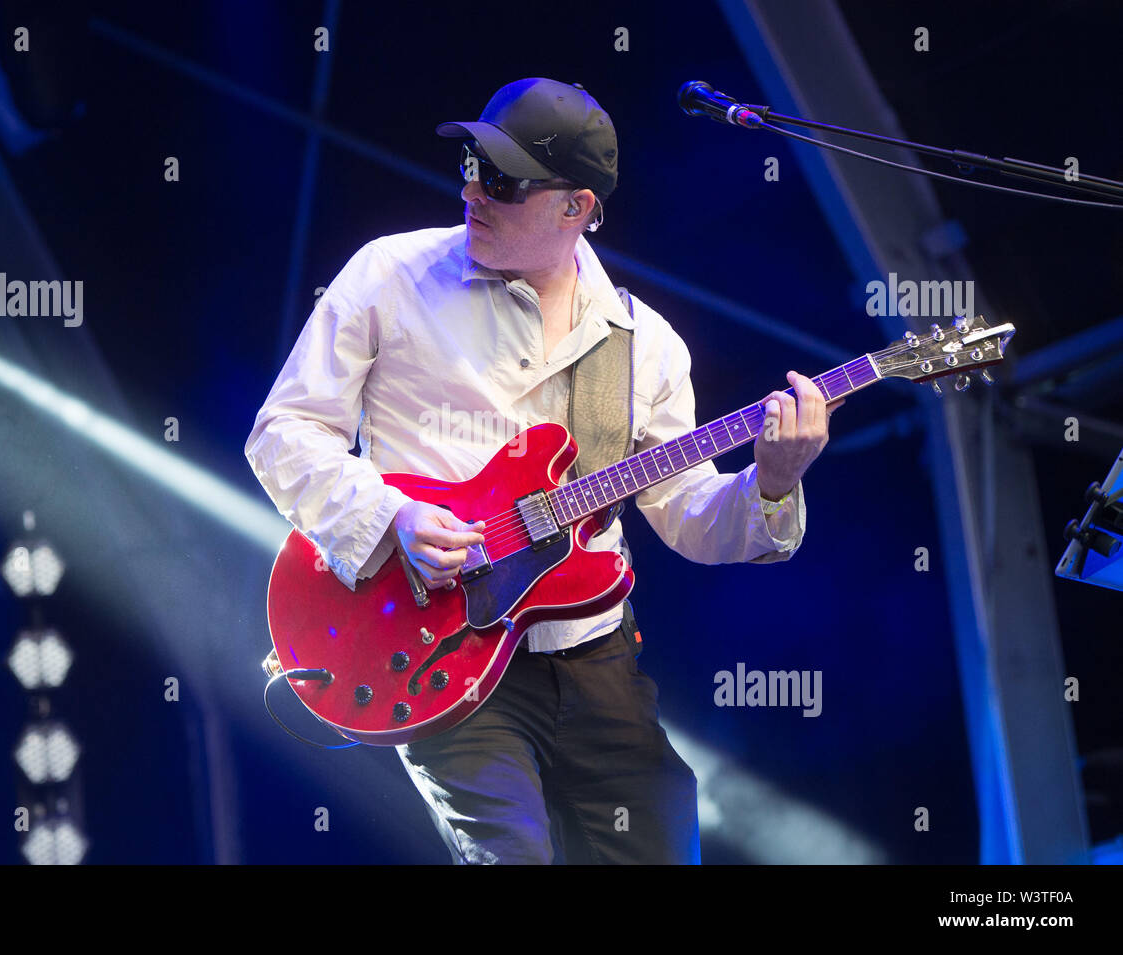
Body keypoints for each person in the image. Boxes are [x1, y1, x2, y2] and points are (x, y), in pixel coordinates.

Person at [245, 77, 841, 864]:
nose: (470, 190)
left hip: (594, 658)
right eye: (470, 163)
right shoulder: (390, 277)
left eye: (501, 179)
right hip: (439, 650)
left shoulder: (647, 345)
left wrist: (772, 482)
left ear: (576, 207)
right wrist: (389, 515)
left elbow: (687, 513)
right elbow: (283, 431)